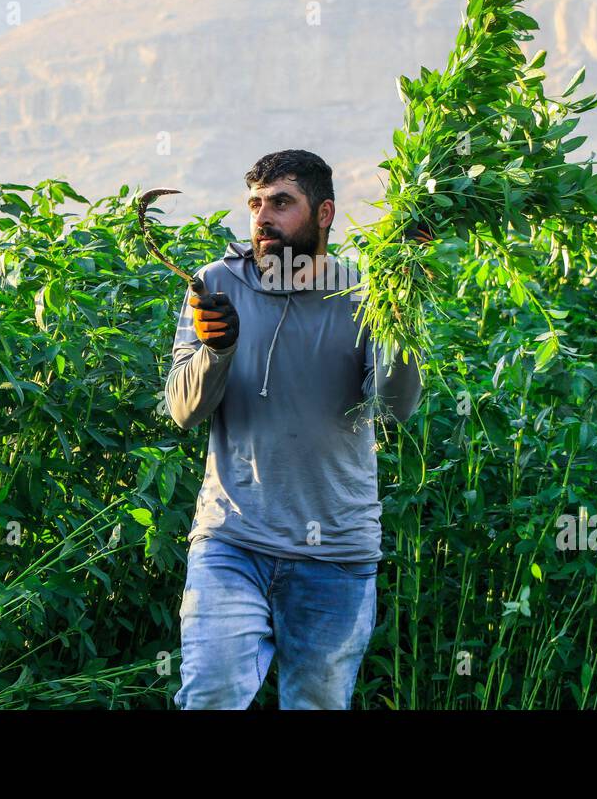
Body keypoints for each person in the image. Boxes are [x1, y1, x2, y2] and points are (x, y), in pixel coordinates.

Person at [164, 148, 427, 709]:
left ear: (324, 213)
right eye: (255, 203)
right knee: (209, 695)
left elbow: (394, 407)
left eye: (282, 203)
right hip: (232, 540)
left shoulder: (367, 292)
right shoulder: (214, 284)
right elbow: (183, 411)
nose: (262, 217)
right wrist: (216, 350)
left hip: (335, 549)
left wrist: (401, 318)